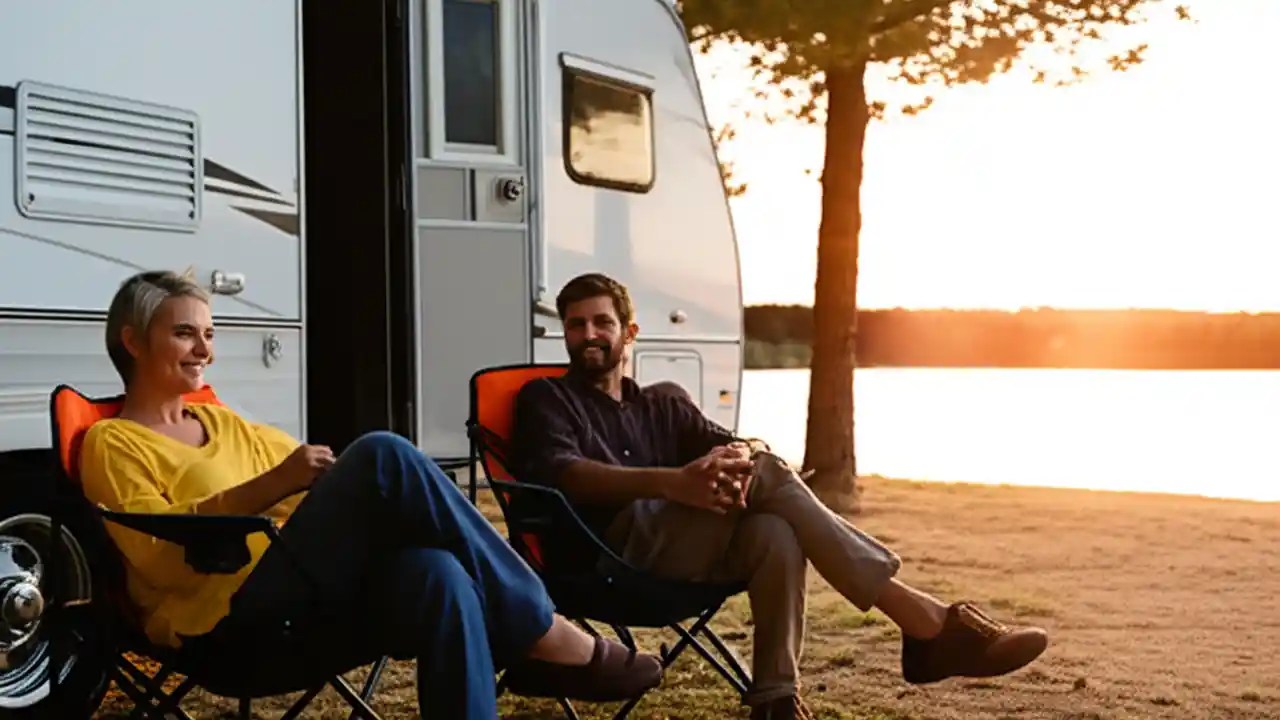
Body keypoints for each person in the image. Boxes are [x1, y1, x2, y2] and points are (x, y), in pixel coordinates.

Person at [79, 270, 663, 720]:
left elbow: (318, 485)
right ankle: (542, 630)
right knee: (384, 454)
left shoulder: (224, 423)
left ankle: (525, 641)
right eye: (184, 333)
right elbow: (159, 557)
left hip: (303, 604)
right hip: (228, 627)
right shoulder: (113, 441)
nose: (205, 350)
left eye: (209, 334)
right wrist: (276, 484)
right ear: (132, 341)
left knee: (438, 574)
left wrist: (341, 500)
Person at [511, 272, 1050, 720]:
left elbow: (741, 447)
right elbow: (565, 475)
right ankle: (925, 621)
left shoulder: (664, 404)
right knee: (767, 475)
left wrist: (738, 455)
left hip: (676, 554)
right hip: (603, 556)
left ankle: (776, 701)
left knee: (774, 528)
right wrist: (674, 482)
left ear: (629, 332)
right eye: (576, 324)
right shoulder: (547, 398)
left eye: (602, 322)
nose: (589, 334)